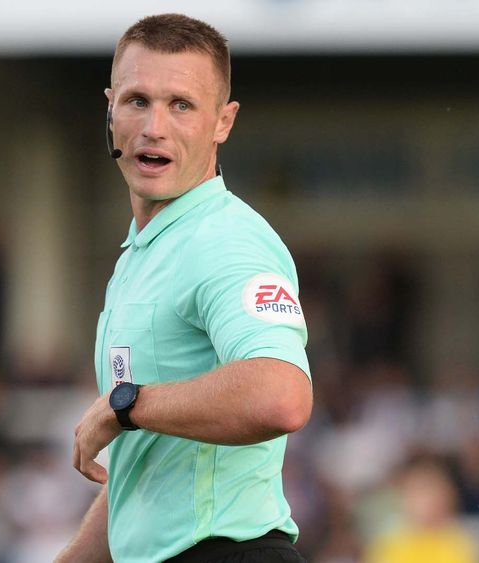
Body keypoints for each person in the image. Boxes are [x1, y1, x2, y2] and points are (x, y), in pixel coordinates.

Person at [56, 13, 313, 563]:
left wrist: (125, 404)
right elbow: (147, 469)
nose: (154, 127)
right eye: (137, 101)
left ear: (223, 122)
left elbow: (281, 394)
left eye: (181, 105)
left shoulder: (226, 241)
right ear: (110, 108)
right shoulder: (145, 252)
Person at [366, 457, 479, 563]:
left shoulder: (458, 541)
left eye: (426, 493)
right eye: (412, 494)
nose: (420, 502)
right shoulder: (390, 540)